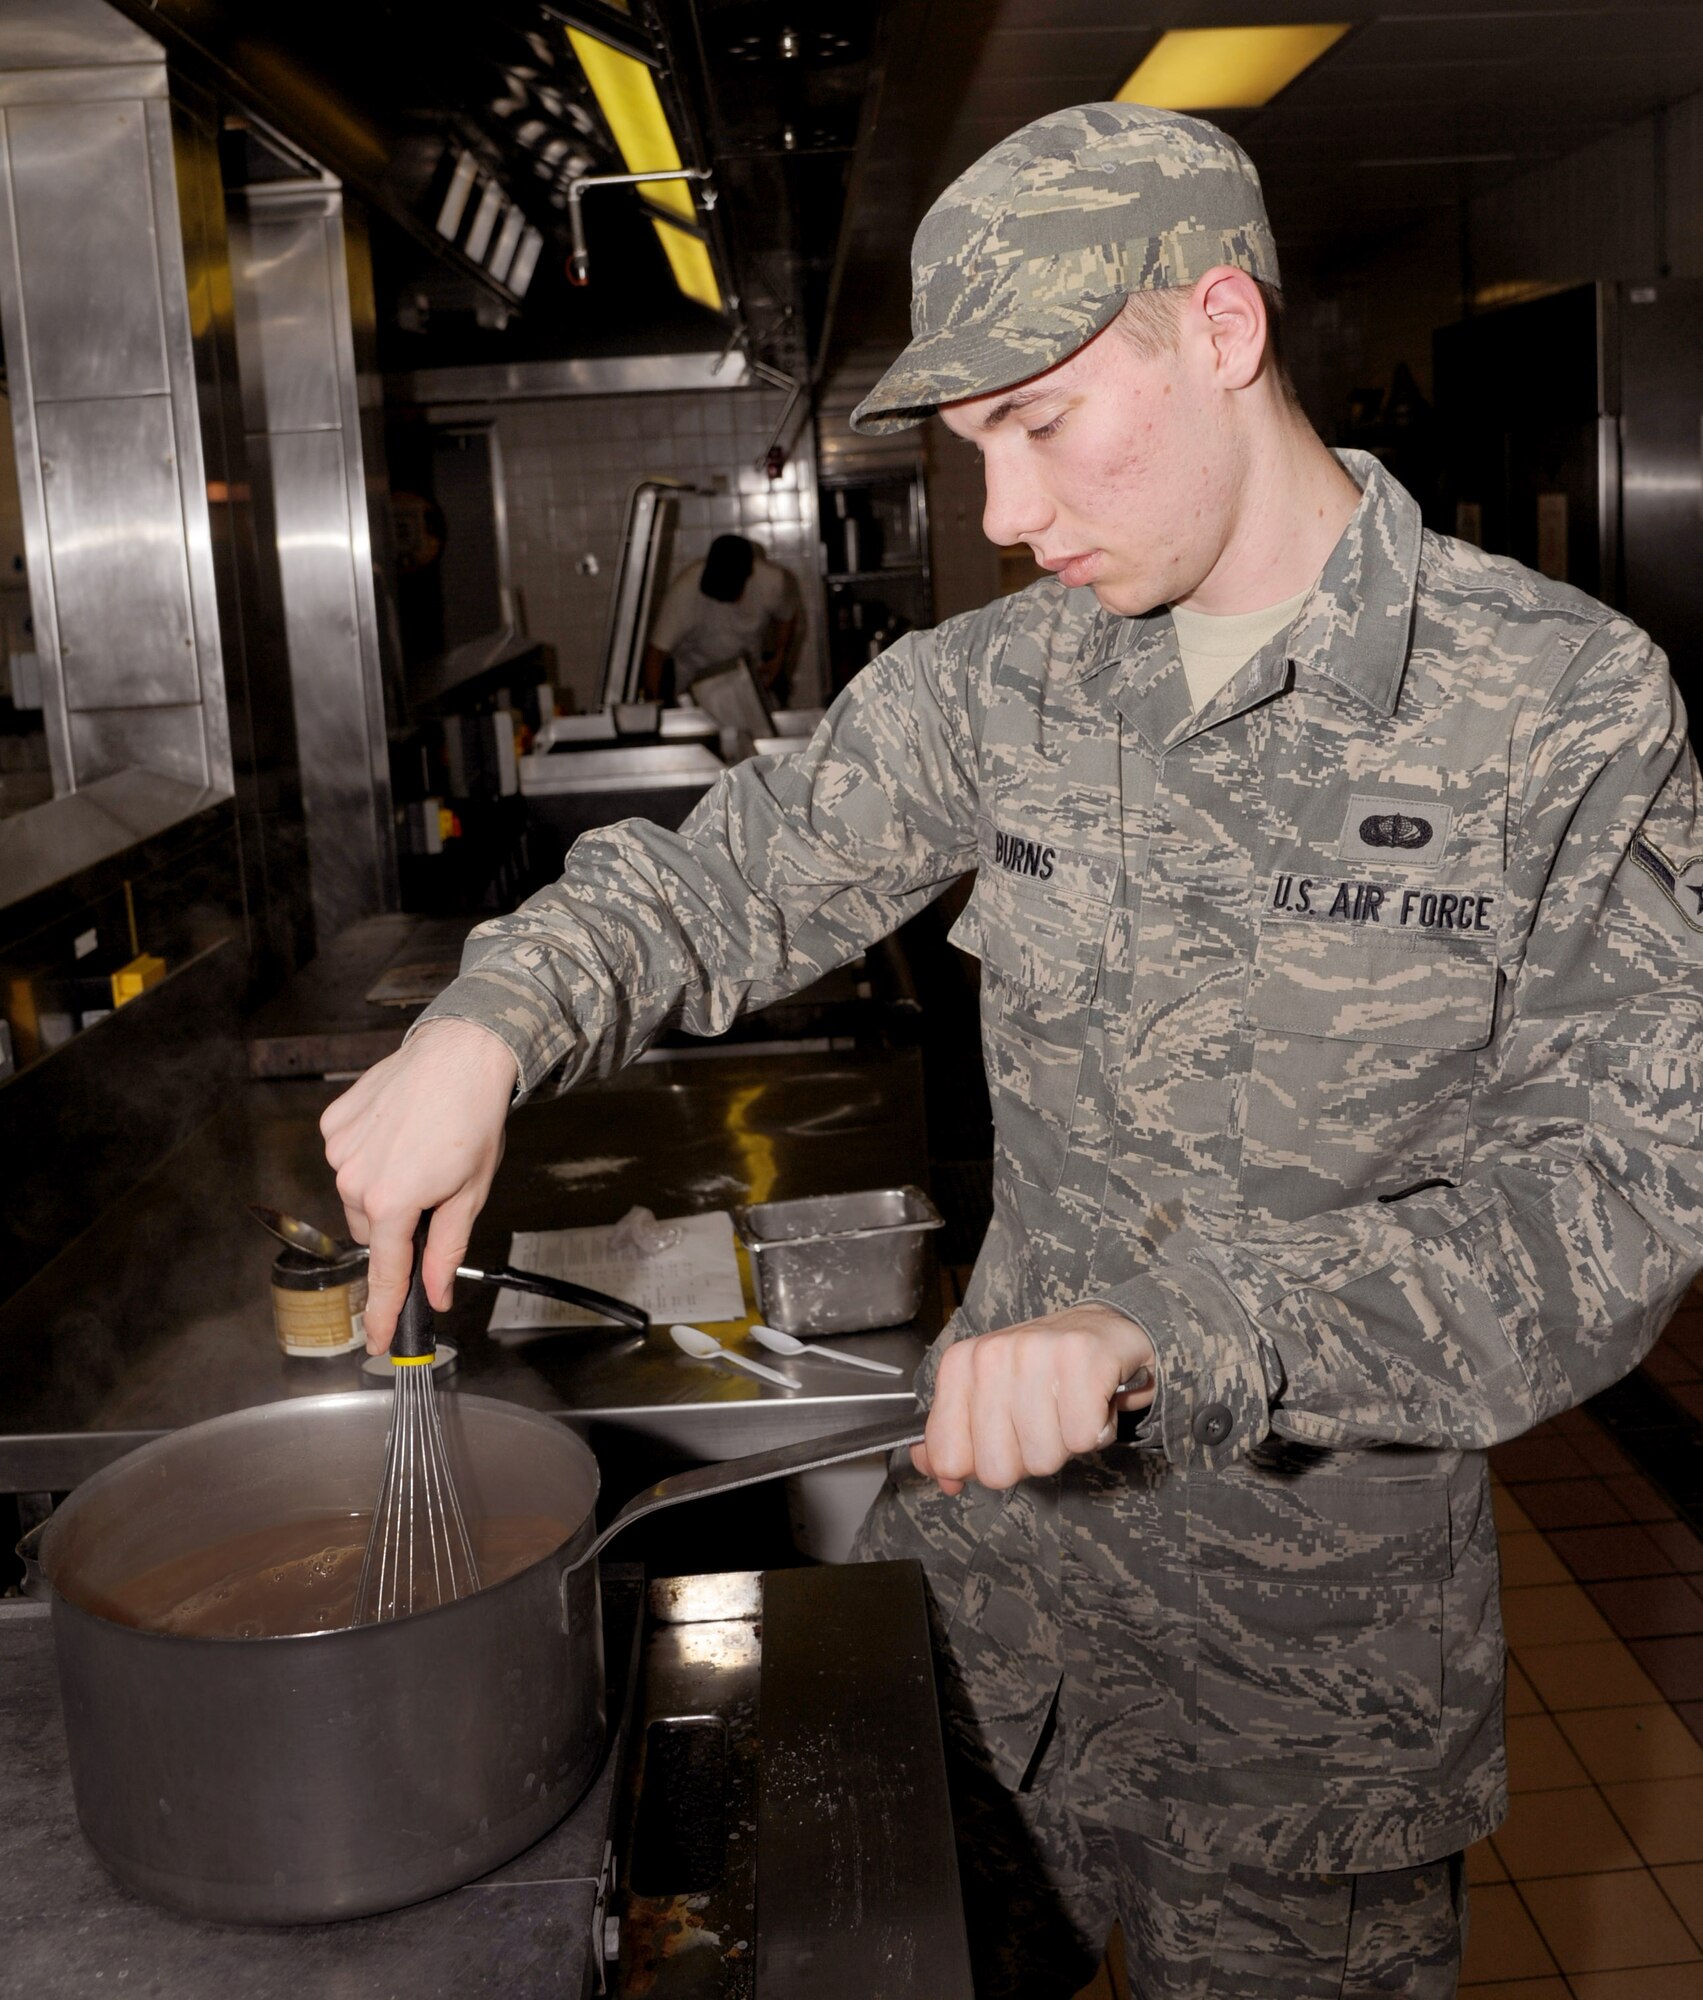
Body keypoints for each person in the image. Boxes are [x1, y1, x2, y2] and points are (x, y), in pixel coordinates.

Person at [321, 103, 1703, 1997]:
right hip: (995, 1630)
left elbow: (1614, 1207)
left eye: (1040, 423)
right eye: (972, 446)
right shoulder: (1003, 686)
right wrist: (486, 1021)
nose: (1001, 514)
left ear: (1221, 329)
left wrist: (1174, 1337)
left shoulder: (1561, 704)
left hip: (1310, 1711)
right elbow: (724, 880)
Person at [640, 532, 799, 700]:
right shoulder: (684, 590)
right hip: (693, 678)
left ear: (748, 574)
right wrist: (651, 709)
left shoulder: (771, 582)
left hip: (747, 676)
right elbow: (656, 654)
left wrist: (779, 656)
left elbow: (786, 616)